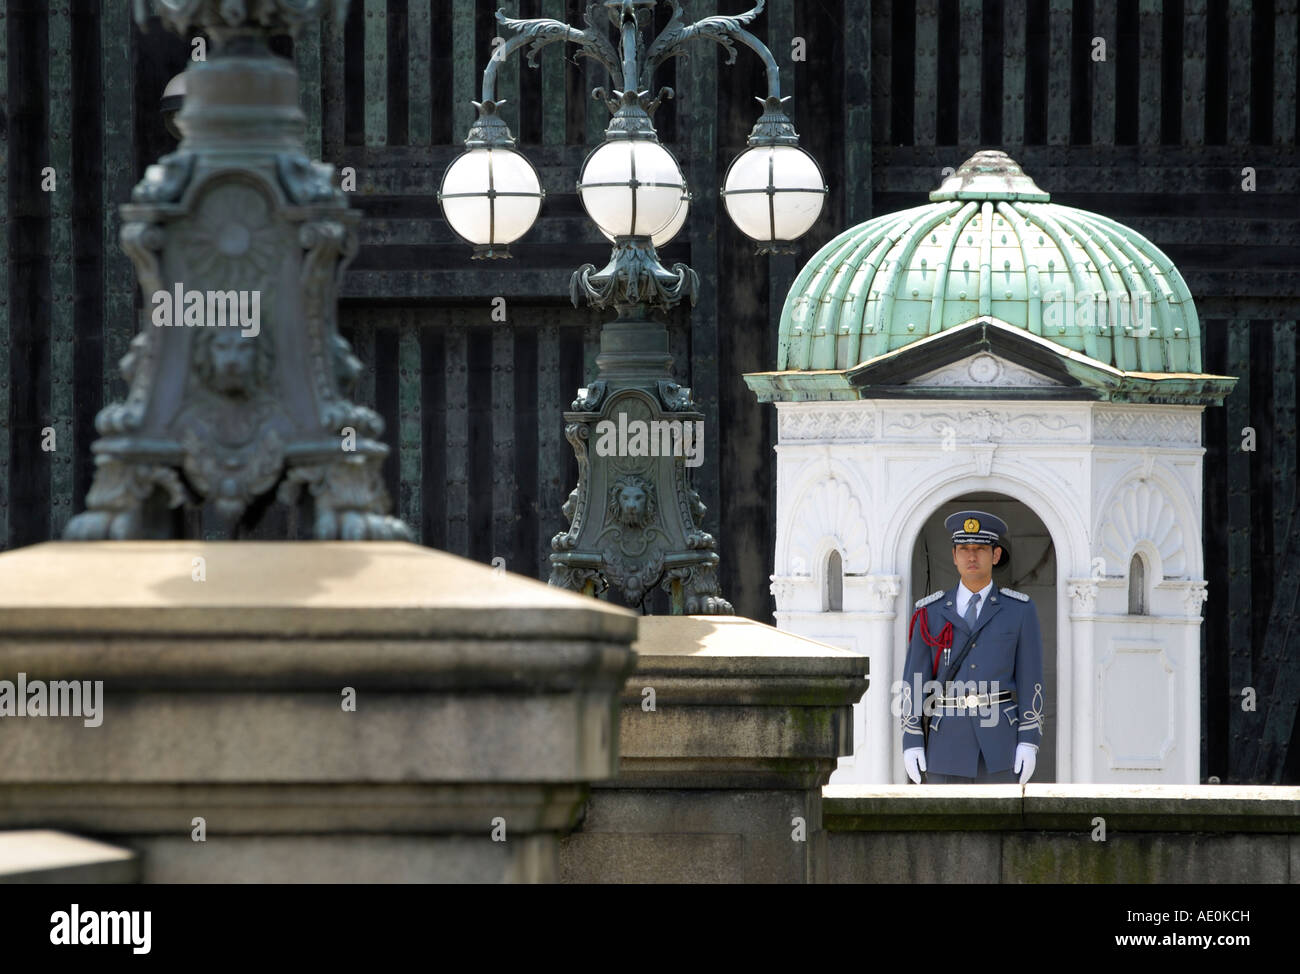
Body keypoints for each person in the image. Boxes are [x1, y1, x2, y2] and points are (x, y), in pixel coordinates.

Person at [900, 510, 1044, 784]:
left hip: (1001, 744)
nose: (972, 556)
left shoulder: (1019, 610)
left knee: (999, 825)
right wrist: (912, 738)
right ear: (954, 556)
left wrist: (1029, 739)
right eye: (964, 549)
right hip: (945, 745)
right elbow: (914, 682)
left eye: (980, 548)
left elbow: (1031, 679)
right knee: (948, 825)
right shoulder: (929, 611)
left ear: (996, 555)